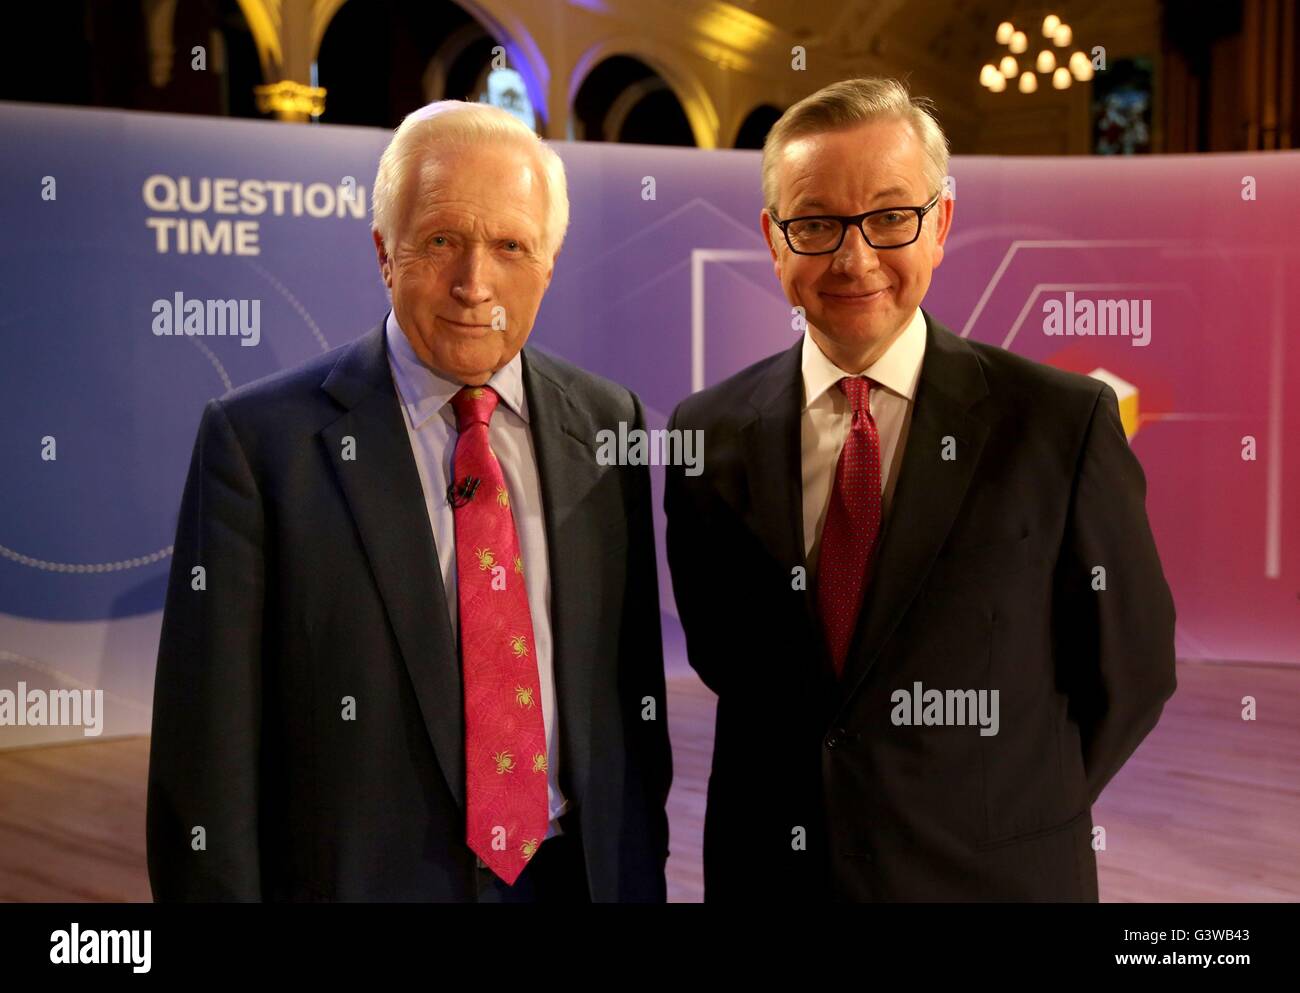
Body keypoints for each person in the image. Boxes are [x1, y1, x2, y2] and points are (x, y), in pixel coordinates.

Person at [664, 77, 1176, 901]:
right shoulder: (708, 435)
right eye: (816, 223)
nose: (854, 257)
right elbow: (725, 658)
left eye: (890, 216)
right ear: (773, 240)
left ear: (940, 223)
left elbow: (1133, 672)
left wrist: (1006, 808)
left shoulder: (1061, 424)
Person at [147, 101, 671, 902]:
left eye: (510, 246)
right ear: (383, 253)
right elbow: (205, 758)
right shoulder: (260, 445)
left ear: (550, 262)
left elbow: (632, 701)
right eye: (441, 241)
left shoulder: (609, 423)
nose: (474, 284)